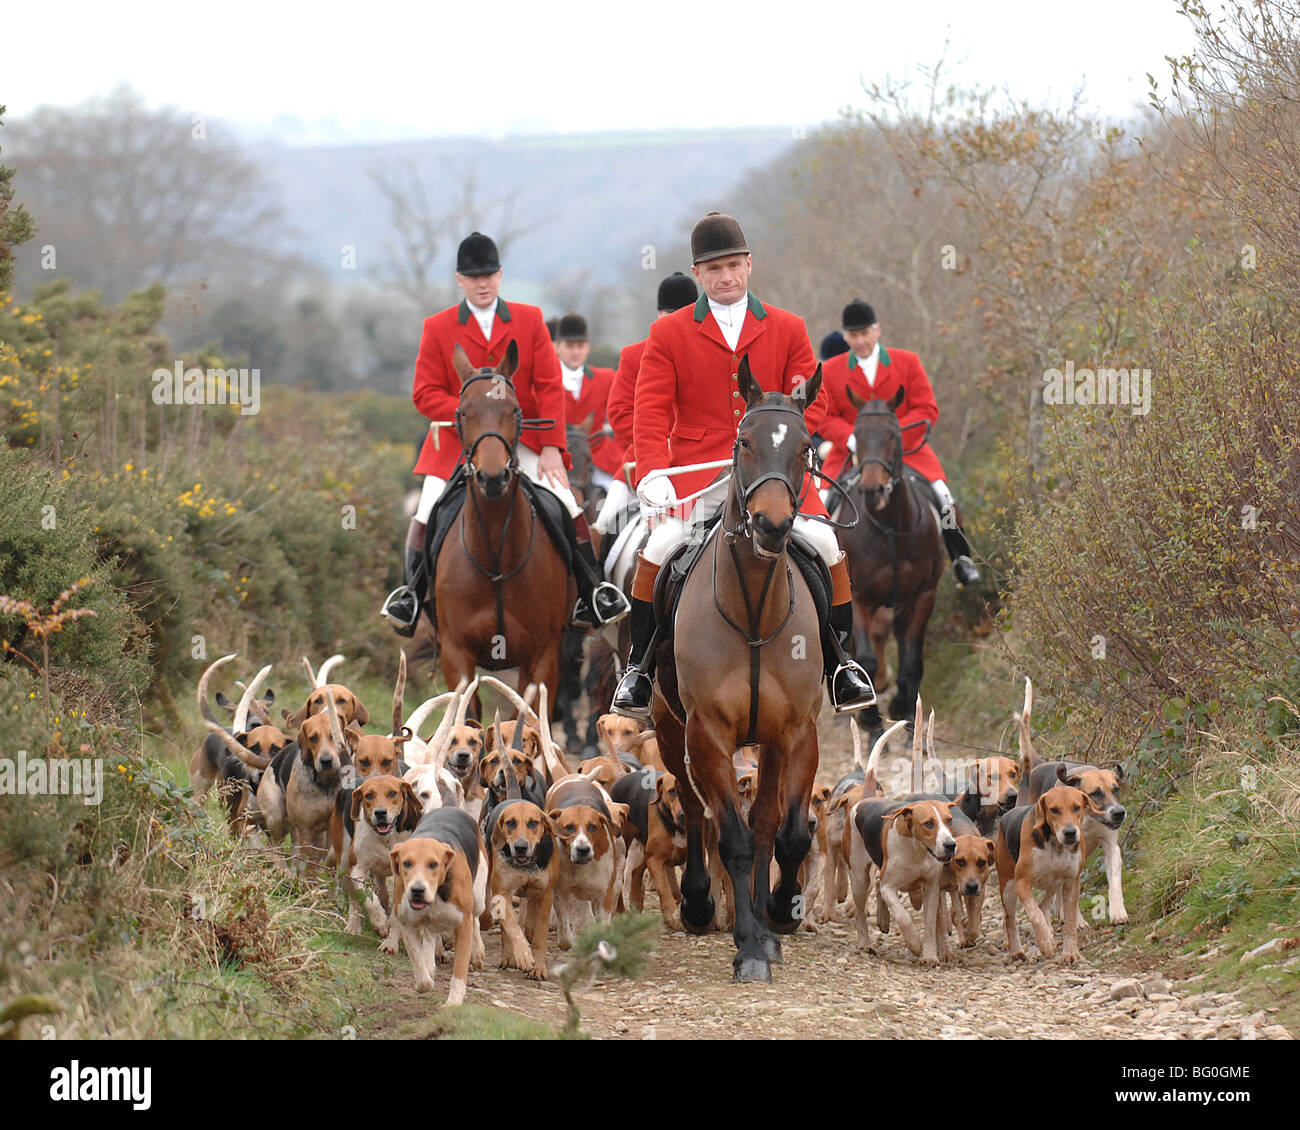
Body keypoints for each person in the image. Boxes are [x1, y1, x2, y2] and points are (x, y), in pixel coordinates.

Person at [610, 212, 877, 719]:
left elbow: (811, 402)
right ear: (698, 274)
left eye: (734, 265)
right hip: (697, 473)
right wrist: (654, 474)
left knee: (826, 543)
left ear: (750, 264)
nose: (726, 277)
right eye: (714, 270)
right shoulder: (667, 333)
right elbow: (650, 411)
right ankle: (639, 670)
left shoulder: (787, 326)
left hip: (773, 471)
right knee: (659, 548)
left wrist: (775, 433)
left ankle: (843, 665)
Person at [379, 232, 630, 634]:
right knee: (426, 511)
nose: (483, 283)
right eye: (474, 276)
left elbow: (549, 387)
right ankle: (410, 597)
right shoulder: (438, 326)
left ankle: (591, 592)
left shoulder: (529, 319)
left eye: (490, 275)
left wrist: (551, 447)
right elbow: (423, 393)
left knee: (569, 504)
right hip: (454, 444)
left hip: (523, 440)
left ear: (500, 276)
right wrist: (472, 414)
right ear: (460, 280)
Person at [818, 299, 981, 586]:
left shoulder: (907, 361)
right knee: (820, 509)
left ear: (877, 330)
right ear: (846, 337)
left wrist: (891, 440)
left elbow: (926, 409)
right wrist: (852, 439)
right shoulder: (831, 370)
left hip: (906, 451)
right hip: (850, 453)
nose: (860, 341)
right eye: (854, 336)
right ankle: (822, 578)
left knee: (943, 496)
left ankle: (961, 559)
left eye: (865, 333)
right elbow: (823, 416)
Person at [596, 271, 699, 536]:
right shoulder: (634, 356)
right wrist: (656, 441)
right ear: (659, 315)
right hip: (642, 459)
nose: (677, 323)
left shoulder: (710, 353)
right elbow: (619, 413)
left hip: (699, 458)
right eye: (670, 315)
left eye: (683, 315)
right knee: (605, 523)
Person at [554, 312, 622, 491]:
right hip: (560, 459)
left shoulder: (606, 378)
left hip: (599, 457)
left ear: (587, 347)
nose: (576, 352)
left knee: (621, 498)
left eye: (580, 345)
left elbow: (621, 414)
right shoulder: (546, 382)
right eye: (569, 346)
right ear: (558, 347)